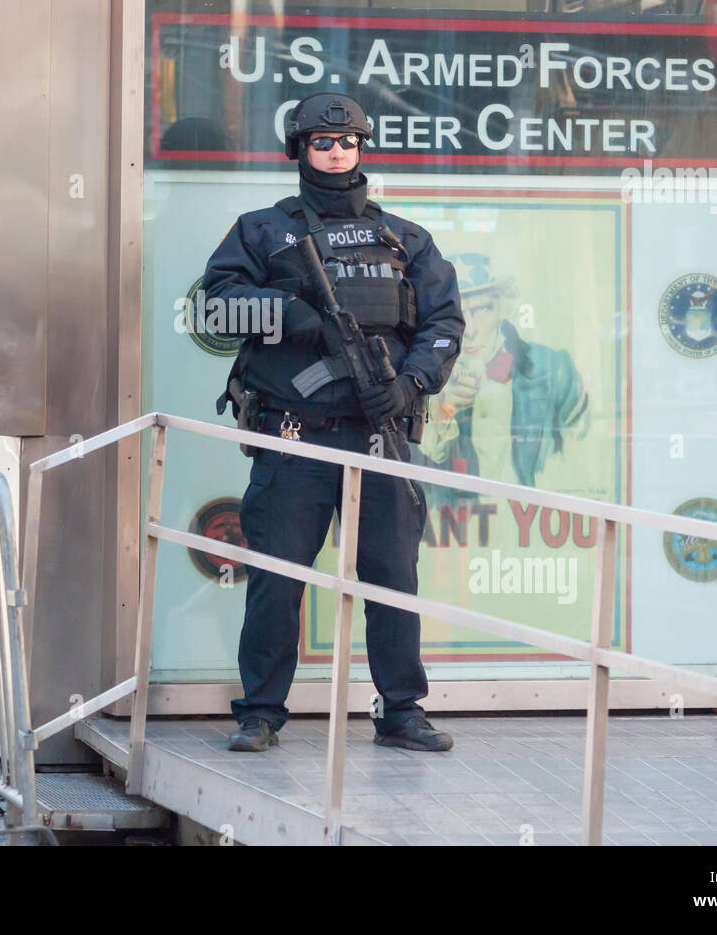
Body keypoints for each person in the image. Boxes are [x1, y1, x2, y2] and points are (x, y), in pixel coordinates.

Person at [203, 92, 465, 753]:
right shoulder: (262, 231)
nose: (336, 152)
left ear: (360, 148)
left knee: (393, 579)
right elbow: (215, 307)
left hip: (382, 437)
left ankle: (401, 710)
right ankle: (260, 712)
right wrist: (291, 316)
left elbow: (444, 325)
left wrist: (409, 387)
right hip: (296, 439)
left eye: (347, 141)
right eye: (322, 142)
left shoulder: (405, 239)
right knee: (277, 578)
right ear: (300, 151)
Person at [418, 253, 588, 493]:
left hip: (532, 516)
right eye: (458, 313)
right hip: (459, 520)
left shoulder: (555, 370)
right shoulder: (421, 375)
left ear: (503, 306)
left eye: (482, 309)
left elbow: (581, 459)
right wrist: (440, 411)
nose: (471, 329)